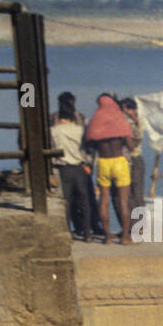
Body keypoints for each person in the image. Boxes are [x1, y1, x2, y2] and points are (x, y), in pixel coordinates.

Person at [83, 93, 136, 244]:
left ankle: (107, 237)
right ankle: (126, 238)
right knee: (123, 202)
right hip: (119, 162)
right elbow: (131, 146)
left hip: (103, 162)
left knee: (103, 200)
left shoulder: (96, 120)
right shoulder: (119, 119)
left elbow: (89, 146)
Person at [48, 92, 93, 240]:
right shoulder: (79, 130)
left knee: (65, 202)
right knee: (84, 201)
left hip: (62, 168)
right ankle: (87, 233)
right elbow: (86, 148)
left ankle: (67, 232)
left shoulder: (53, 131)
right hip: (79, 168)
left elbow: (51, 149)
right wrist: (87, 163)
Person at [120, 97, 145, 220]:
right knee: (133, 194)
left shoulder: (135, 122)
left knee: (135, 194)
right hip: (133, 159)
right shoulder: (132, 121)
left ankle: (138, 227)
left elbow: (136, 141)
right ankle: (134, 225)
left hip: (134, 159)